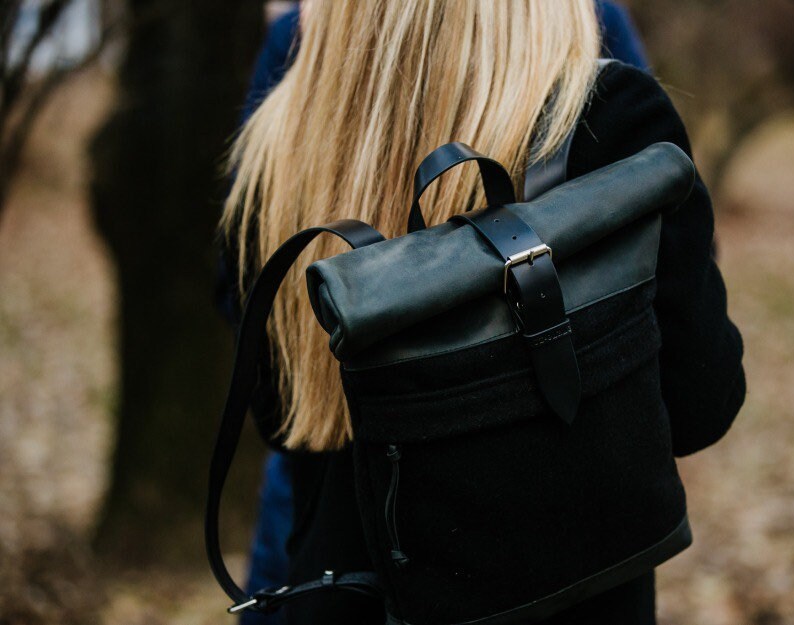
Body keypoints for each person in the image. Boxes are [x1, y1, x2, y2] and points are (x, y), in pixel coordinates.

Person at [220, 1, 745, 624]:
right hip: (563, 597)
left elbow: (283, 419)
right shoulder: (608, 118)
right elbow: (700, 404)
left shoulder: (273, 150)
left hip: (343, 594)